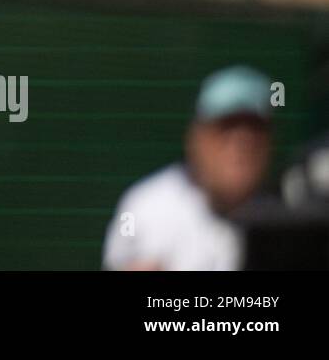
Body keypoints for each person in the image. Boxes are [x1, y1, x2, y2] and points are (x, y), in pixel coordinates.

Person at [102, 65, 273, 271]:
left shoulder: (290, 207)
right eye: (226, 127)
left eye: (254, 129)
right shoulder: (148, 207)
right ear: (196, 138)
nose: (241, 143)